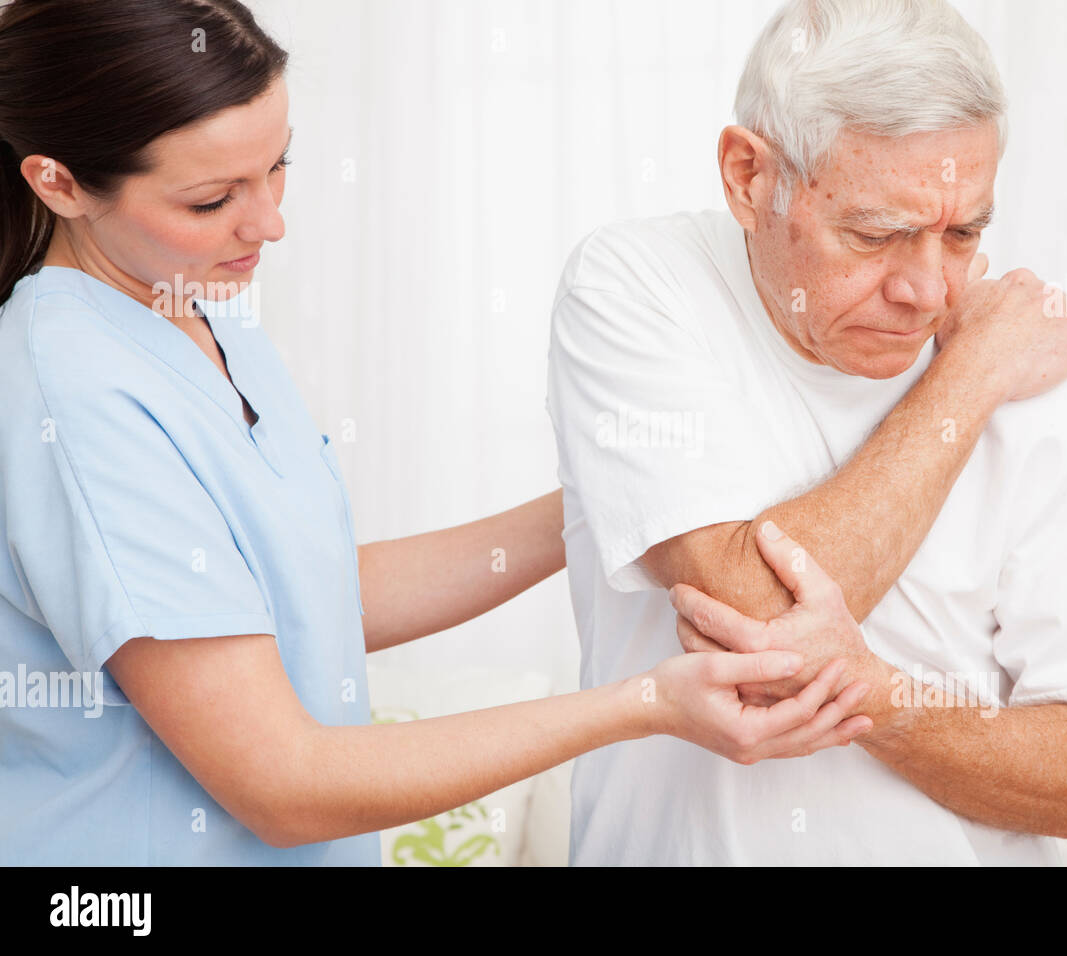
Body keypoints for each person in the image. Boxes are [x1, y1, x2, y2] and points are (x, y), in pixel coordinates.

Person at [0, 0, 878, 866]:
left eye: (278, 167)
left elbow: (305, 598)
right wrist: (645, 702)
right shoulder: (73, 394)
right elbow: (282, 783)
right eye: (211, 198)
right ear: (59, 182)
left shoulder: (197, 307)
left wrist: (624, 496)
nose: (270, 221)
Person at [545, 0, 1067, 865]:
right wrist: (969, 375)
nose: (929, 291)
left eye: (964, 233)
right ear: (748, 177)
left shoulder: (1050, 384)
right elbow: (747, 618)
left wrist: (885, 701)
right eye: (876, 236)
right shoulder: (637, 289)